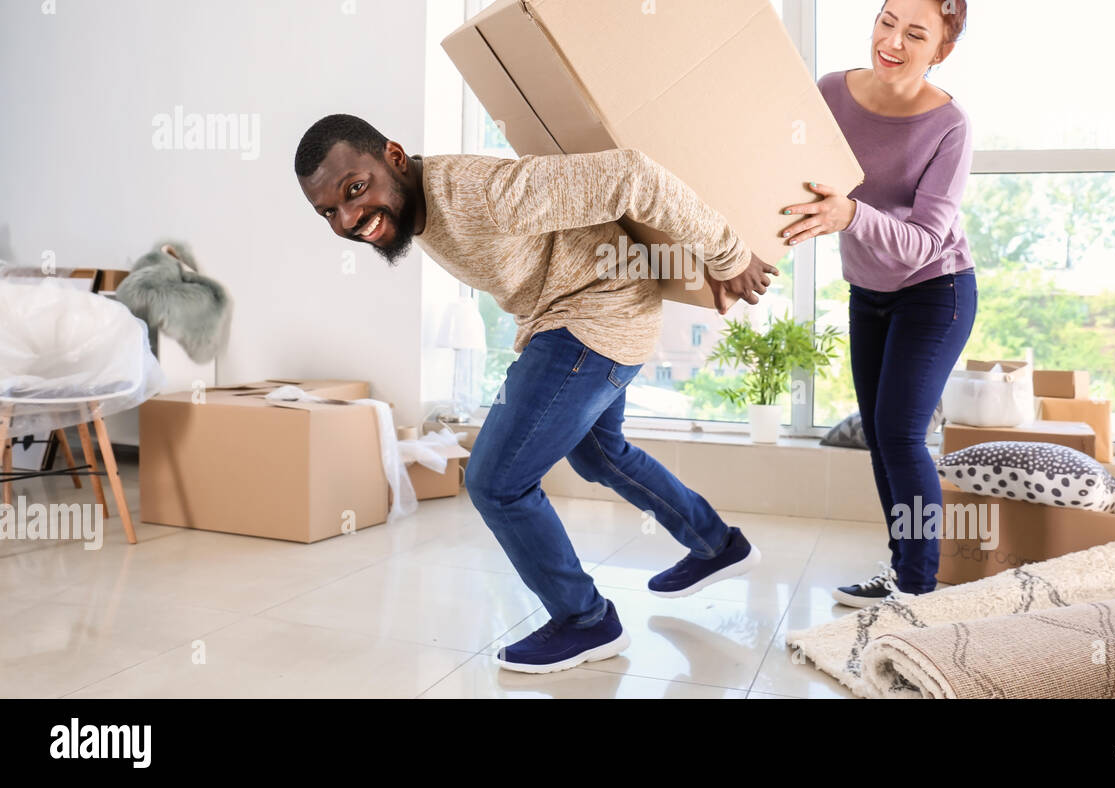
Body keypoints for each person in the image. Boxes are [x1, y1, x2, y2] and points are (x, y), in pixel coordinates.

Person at [295, 116, 775, 672]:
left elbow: (634, 174)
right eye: (329, 211)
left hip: (595, 319)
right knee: (599, 453)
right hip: (590, 314)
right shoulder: (416, 210)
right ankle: (718, 545)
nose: (349, 219)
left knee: (496, 480)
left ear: (395, 158)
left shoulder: (484, 194)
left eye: (355, 190)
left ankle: (586, 620)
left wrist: (729, 254)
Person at [777, 0, 977, 602]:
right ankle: (901, 571)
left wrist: (854, 213)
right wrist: (754, 252)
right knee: (878, 434)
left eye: (914, 34)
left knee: (899, 434)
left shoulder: (949, 126)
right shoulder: (832, 92)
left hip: (935, 290)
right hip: (870, 291)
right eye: (886, 23)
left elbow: (924, 238)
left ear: (941, 50)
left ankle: (918, 590)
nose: (892, 41)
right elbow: (787, 179)